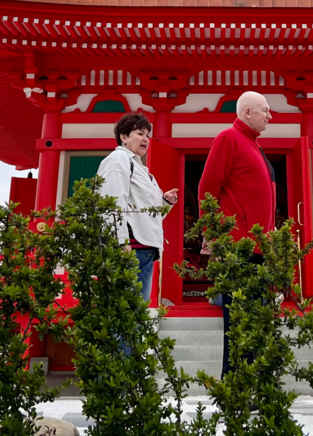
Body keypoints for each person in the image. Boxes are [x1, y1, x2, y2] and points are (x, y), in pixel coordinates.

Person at [198, 90, 276, 375]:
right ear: (247, 113)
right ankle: (234, 384)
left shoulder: (254, 145)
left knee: (254, 318)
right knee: (238, 319)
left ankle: (250, 382)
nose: (270, 115)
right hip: (237, 246)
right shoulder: (228, 139)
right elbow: (207, 189)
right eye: (265, 110)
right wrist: (215, 237)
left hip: (258, 247)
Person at [97, 111, 178, 302]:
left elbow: (149, 216)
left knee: (135, 313)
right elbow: (111, 202)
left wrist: (165, 202)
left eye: (147, 135)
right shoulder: (118, 160)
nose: (146, 139)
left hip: (145, 248)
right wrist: (120, 242)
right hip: (131, 248)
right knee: (125, 313)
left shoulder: (144, 171)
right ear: (123, 137)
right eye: (140, 134)